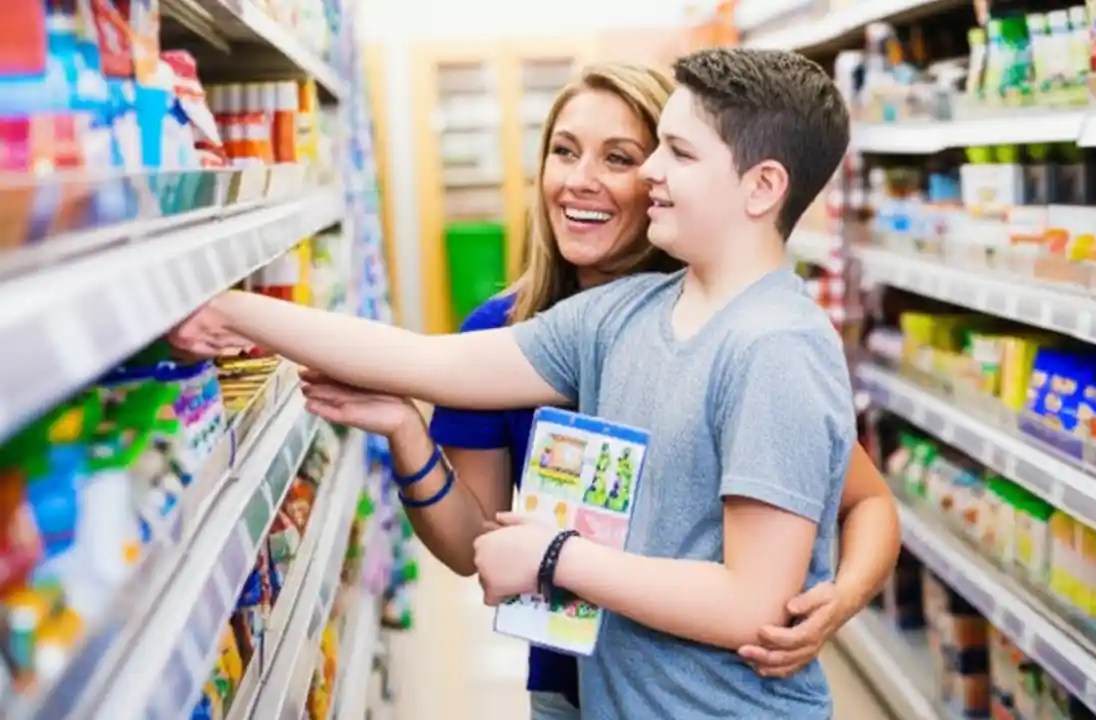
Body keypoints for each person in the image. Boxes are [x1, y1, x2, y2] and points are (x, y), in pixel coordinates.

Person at [168, 48, 896, 718]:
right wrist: (234, 309)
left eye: (665, 153)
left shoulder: (775, 349)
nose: (645, 175)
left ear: (762, 187)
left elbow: (754, 597)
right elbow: (424, 361)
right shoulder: (620, 317)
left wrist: (556, 557)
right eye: (566, 151)